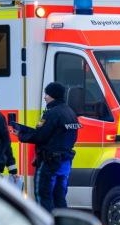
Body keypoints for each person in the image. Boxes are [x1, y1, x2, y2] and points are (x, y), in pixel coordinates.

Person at [12, 82, 80, 211]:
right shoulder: (70, 112)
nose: (45, 97)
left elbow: (40, 136)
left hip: (49, 162)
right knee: (59, 198)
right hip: (65, 161)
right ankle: (61, 223)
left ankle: (45, 223)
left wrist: (21, 135)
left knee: (43, 196)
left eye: (46, 94)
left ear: (53, 95)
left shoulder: (50, 114)